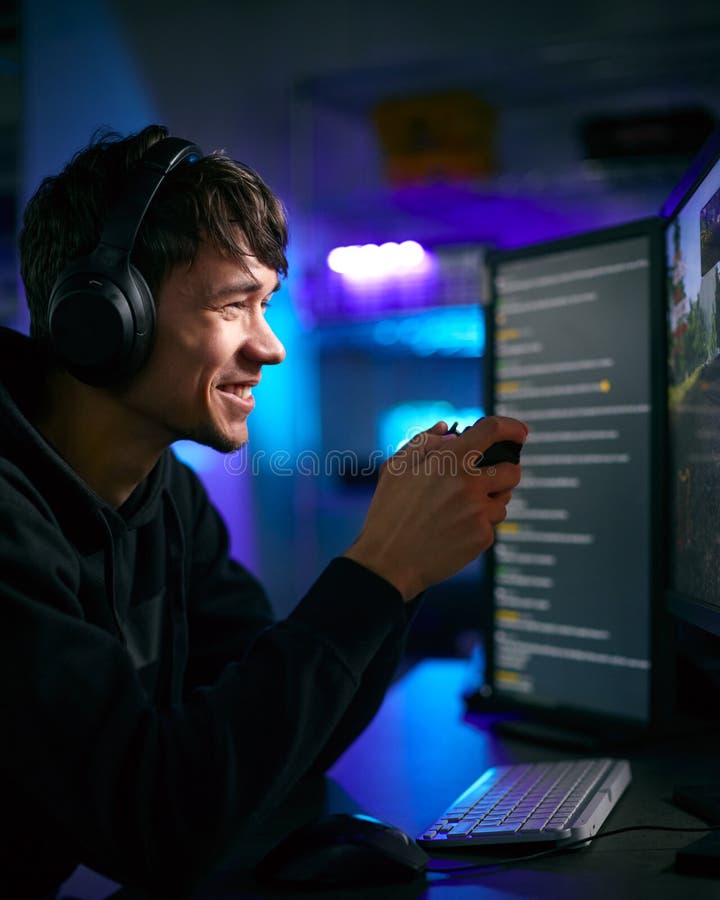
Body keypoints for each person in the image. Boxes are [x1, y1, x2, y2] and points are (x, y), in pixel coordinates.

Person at [0, 124, 528, 897]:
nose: (271, 346)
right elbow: (152, 821)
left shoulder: (164, 494)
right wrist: (379, 566)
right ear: (104, 315)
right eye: (235, 304)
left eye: (268, 303)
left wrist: (405, 571)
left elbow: (284, 744)